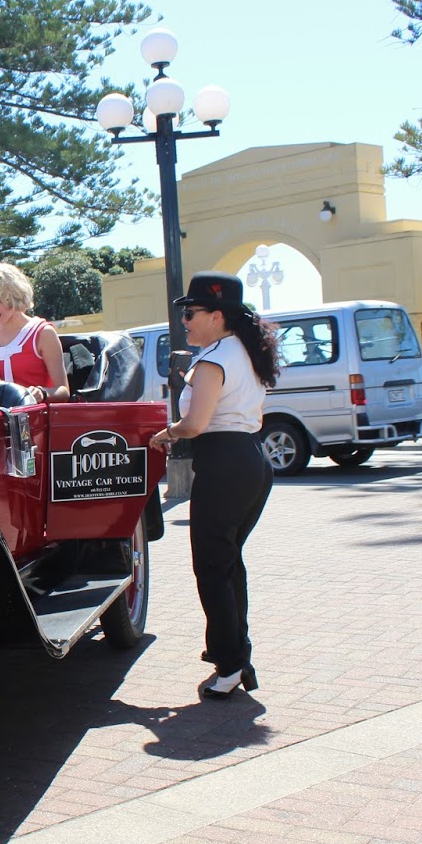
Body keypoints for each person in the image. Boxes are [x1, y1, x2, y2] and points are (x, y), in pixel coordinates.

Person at [148, 272, 281, 700]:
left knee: (212, 566)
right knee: (226, 563)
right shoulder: (241, 350)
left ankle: (230, 665)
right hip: (250, 459)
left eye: (191, 312)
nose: (184, 320)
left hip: (224, 463)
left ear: (217, 315)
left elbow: (196, 424)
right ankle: (237, 657)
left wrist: (164, 434)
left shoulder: (214, 359)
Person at [0, 261, 69, 404]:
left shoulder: (43, 333)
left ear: (13, 296)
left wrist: (42, 392)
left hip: (34, 419)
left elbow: (63, 391)